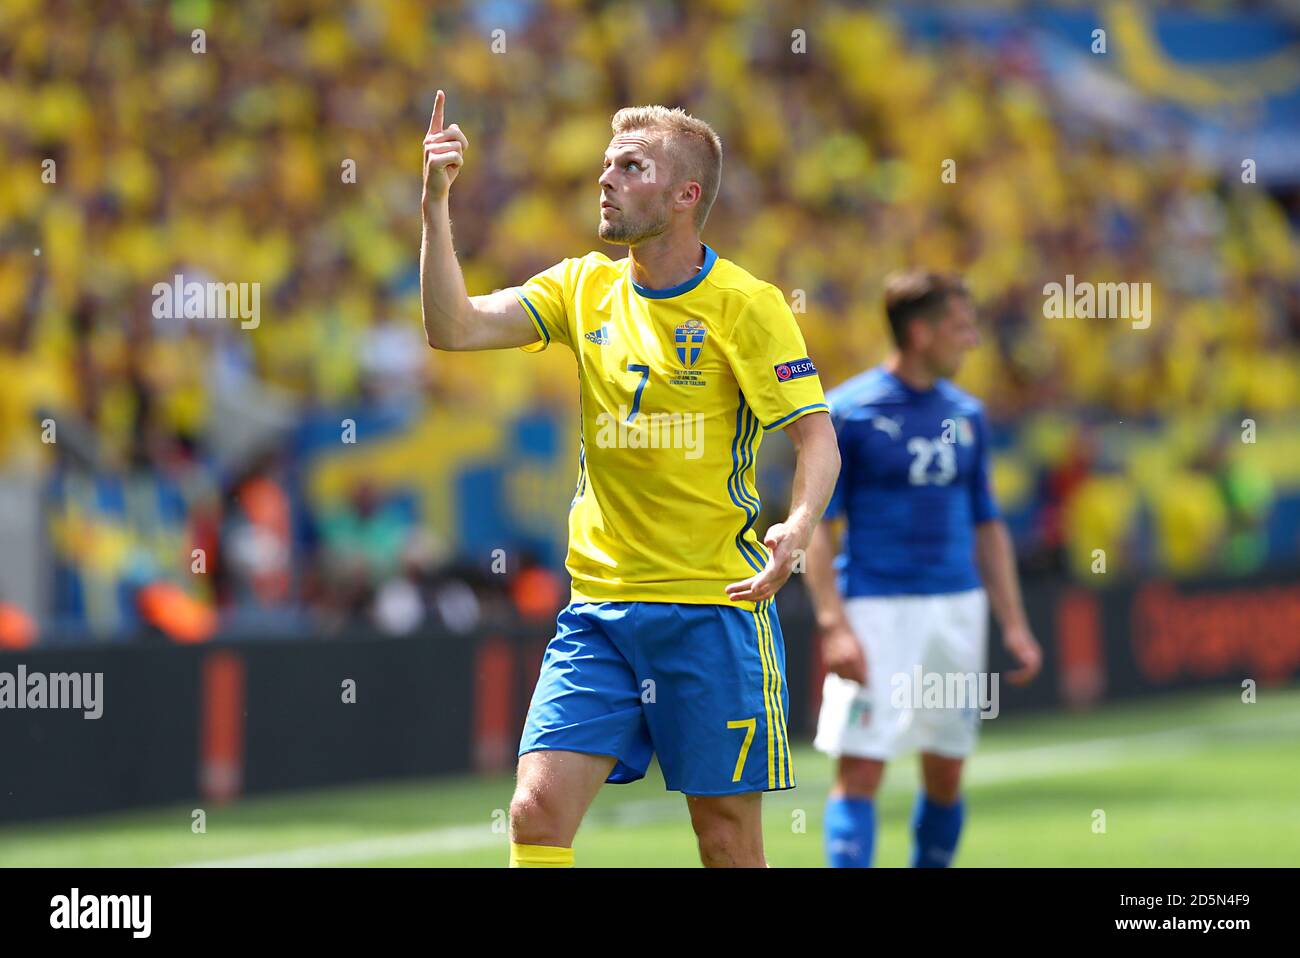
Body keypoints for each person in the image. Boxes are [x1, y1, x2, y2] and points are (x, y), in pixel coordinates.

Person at [419, 91, 840, 867]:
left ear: (686, 196)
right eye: (606, 163)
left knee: (724, 841)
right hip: (601, 608)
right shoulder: (584, 288)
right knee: (535, 812)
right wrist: (435, 205)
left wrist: (800, 525)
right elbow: (455, 328)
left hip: (713, 607)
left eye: (631, 166)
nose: (606, 178)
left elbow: (816, 436)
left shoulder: (747, 306)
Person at [805, 271, 1042, 868]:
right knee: (860, 768)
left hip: (955, 610)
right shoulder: (848, 412)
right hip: (874, 609)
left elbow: (987, 525)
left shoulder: (968, 415)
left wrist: (1013, 623)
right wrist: (833, 623)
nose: (974, 341)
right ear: (920, 332)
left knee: (945, 770)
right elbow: (817, 526)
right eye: (962, 328)